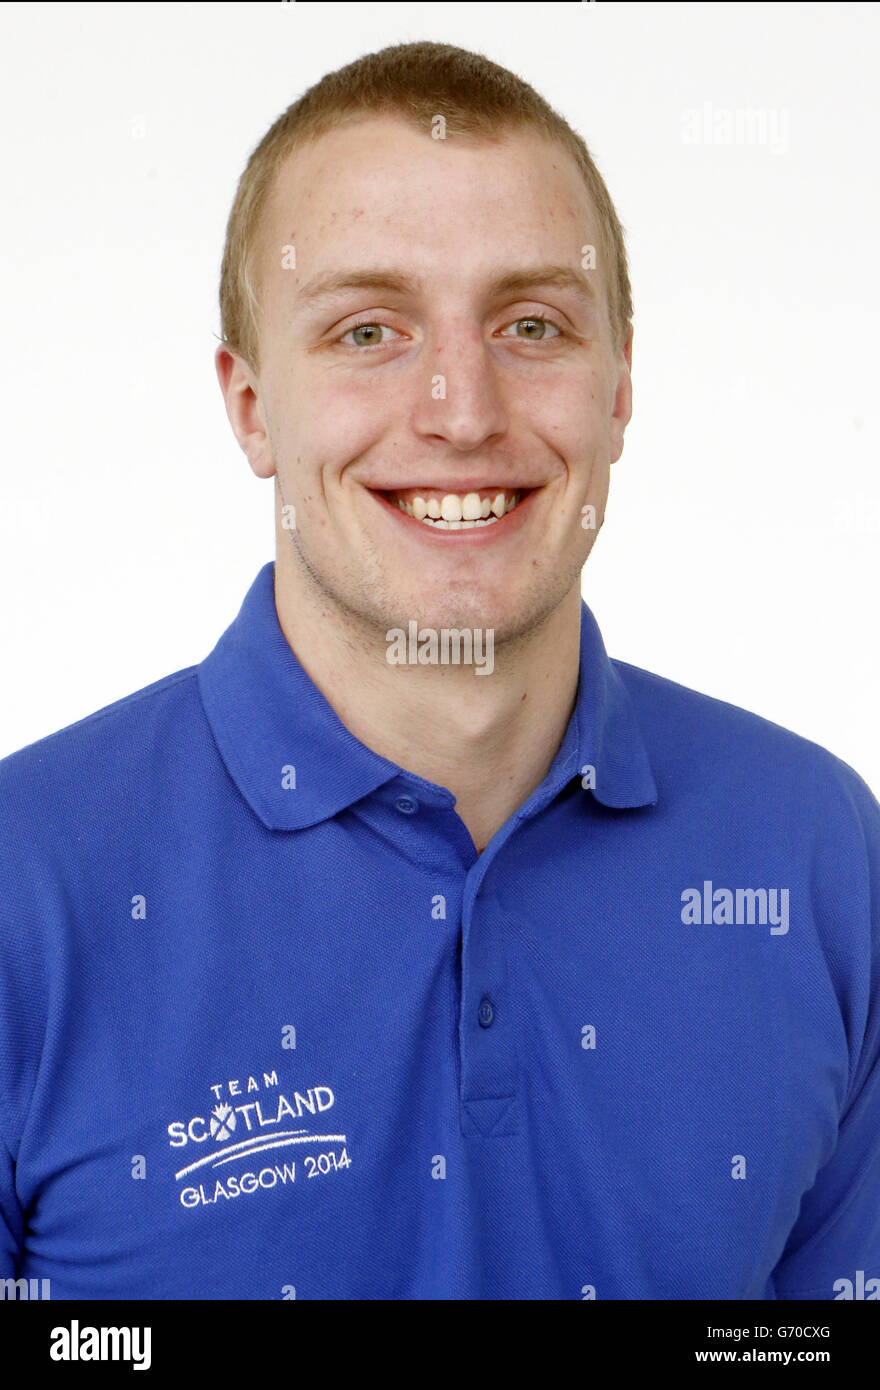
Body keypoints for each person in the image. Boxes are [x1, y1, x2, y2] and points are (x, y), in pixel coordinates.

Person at [1, 40, 878, 1302]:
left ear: (620, 384)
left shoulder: (817, 855)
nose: (460, 409)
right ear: (252, 407)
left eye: (532, 324)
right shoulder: (26, 887)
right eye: (368, 329)